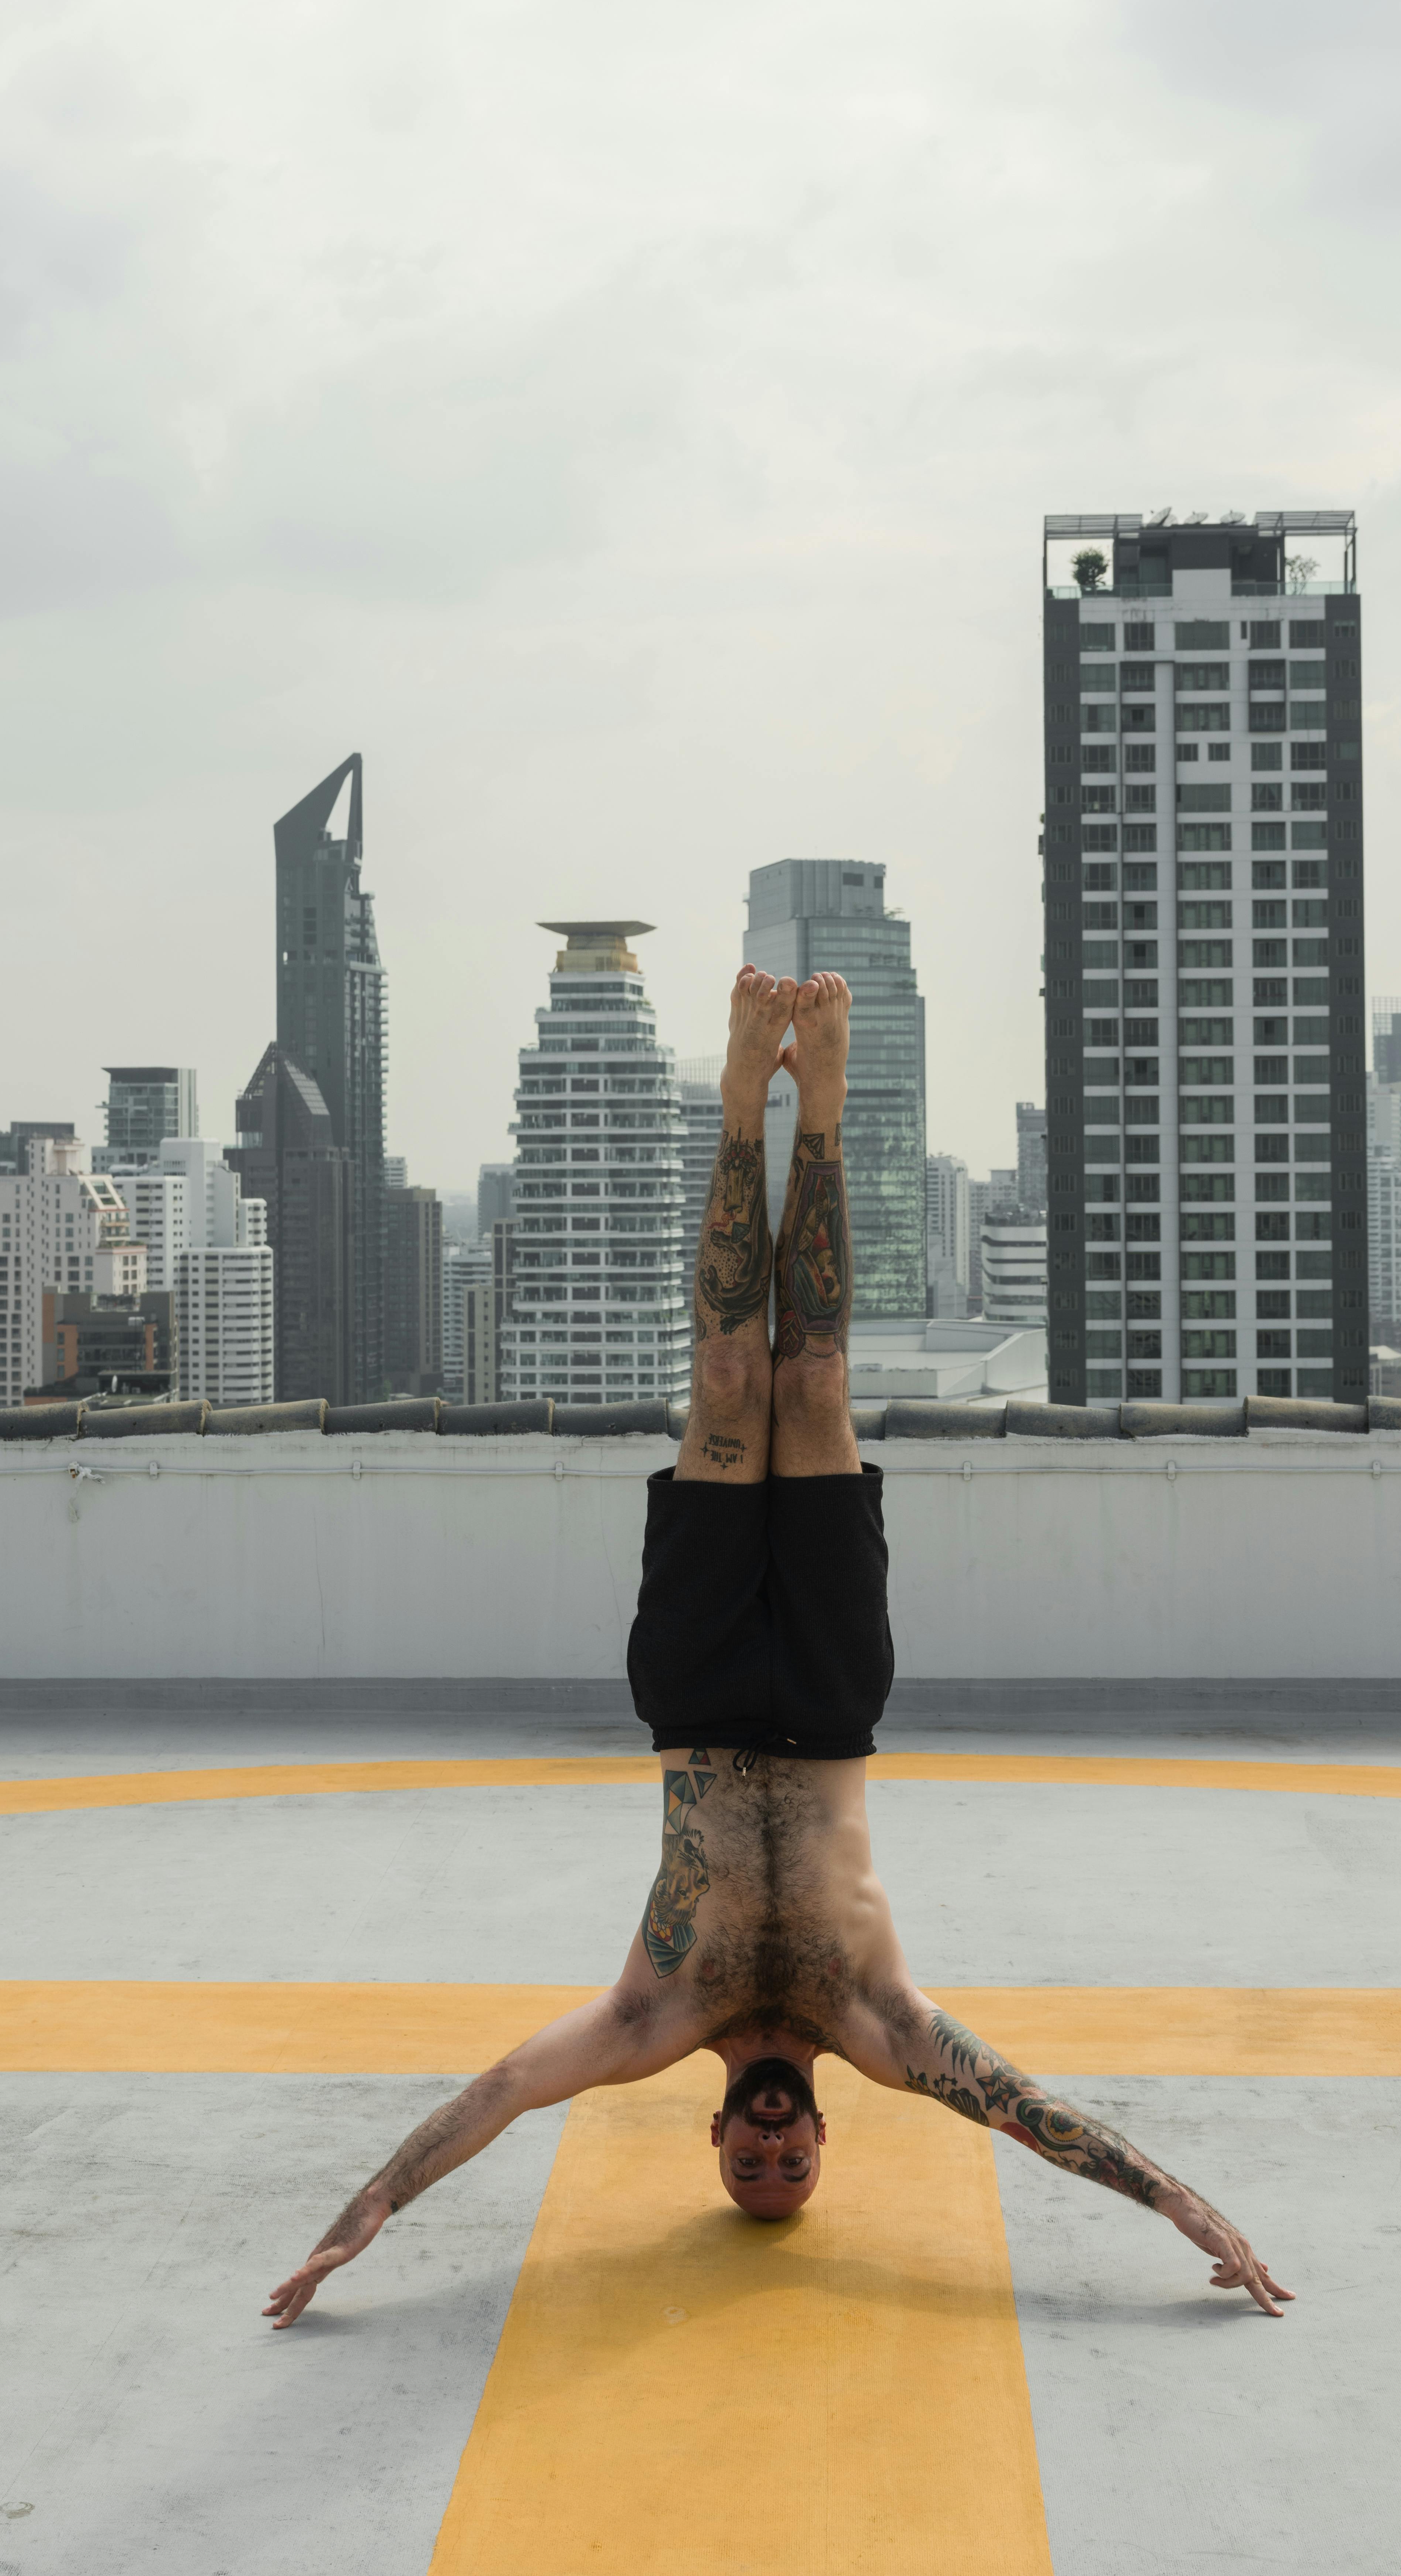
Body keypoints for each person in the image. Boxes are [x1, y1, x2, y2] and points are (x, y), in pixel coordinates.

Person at [264, 967, 1290, 2327]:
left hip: (694, 1694)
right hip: (826, 1697)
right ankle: (825, 1119)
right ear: (821, 2140)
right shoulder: (875, 2025)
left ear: (716, 2139)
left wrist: (363, 2219)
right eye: (789, 2164)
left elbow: (503, 2091)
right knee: (811, 1377)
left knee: (729, 1379)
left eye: (750, 2162)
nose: (770, 2146)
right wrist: (1185, 2207)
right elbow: (1031, 2113)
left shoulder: (654, 2018)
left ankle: (744, 1105)